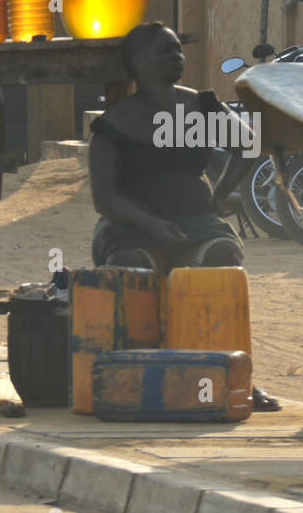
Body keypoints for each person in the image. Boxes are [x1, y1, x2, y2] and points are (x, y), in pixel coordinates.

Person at [88, 21, 280, 411]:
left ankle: (231, 375)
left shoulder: (198, 106)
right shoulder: (116, 122)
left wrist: (222, 193)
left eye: (178, 49)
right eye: (165, 51)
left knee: (222, 256)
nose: (176, 57)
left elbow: (248, 144)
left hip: (193, 222)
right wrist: (151, 225)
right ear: (138, 62)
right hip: (129, 226)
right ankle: (131, 380)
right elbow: (105, 198)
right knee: (131, 267)